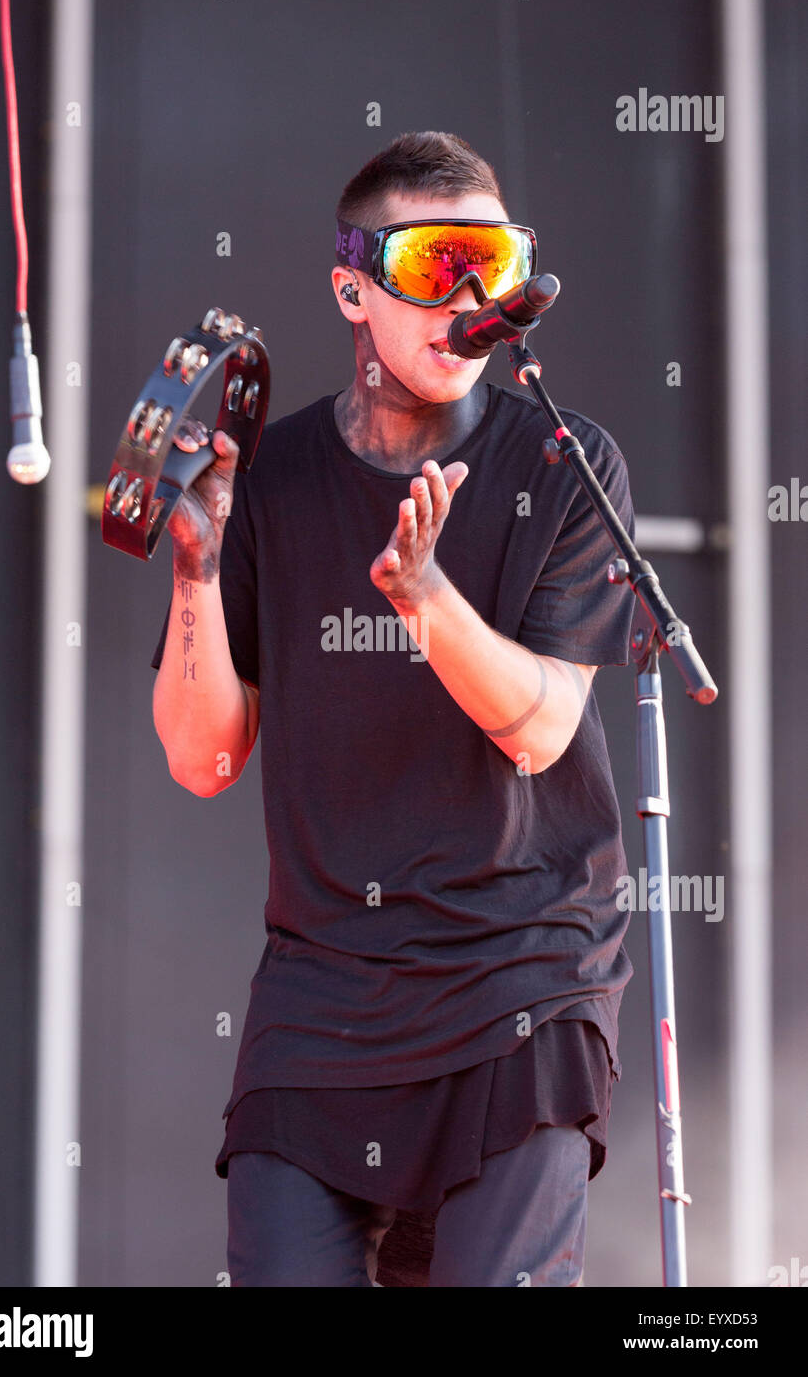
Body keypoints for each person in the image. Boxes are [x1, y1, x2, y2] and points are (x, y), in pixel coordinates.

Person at [150, 130, 636, 1287]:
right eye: (430, 265)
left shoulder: (568, 465)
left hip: (521, 972)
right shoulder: (268, 478)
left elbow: (537, 728)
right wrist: (194, 575)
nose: (468, 296)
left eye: (493, 262)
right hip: (323, 994)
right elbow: (202, 759)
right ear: (350, 289)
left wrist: (421, 596)